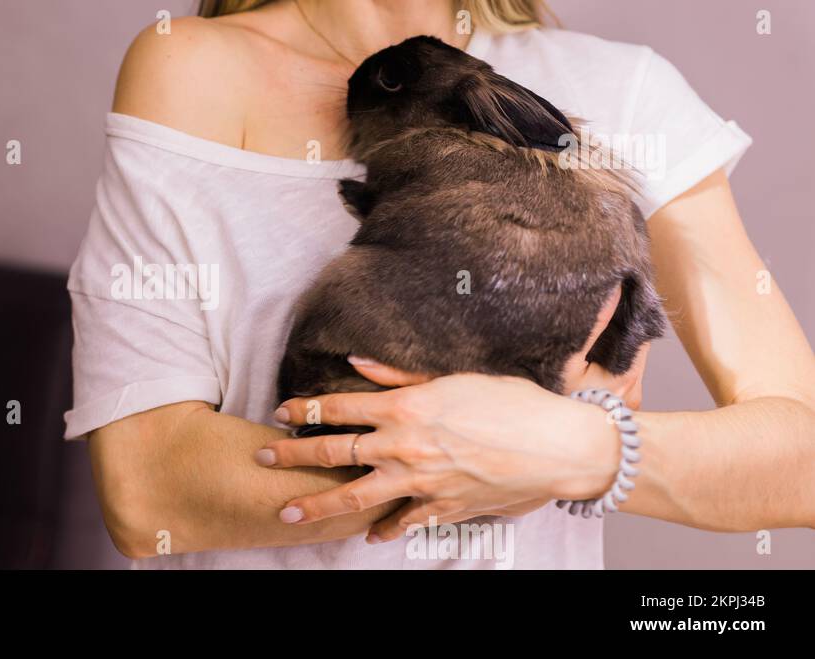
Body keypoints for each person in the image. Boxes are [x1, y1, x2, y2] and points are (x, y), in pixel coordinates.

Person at [64, 0, 815, 568]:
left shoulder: (620, 88)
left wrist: (578, 450)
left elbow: (801, 460)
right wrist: (471, 463)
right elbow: (145, 488)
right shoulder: (190, 68)